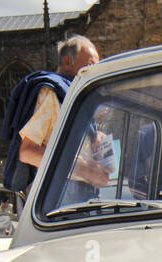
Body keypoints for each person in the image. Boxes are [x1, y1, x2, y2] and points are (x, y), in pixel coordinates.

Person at [7, 35, 102, 192]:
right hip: (59, 195)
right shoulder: (51, 94)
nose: (94, 72)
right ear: (67, 62)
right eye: (89, 65)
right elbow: (27, 152)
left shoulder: (75, 96)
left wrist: (95, 139)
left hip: (81, 193)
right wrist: (82, 168)